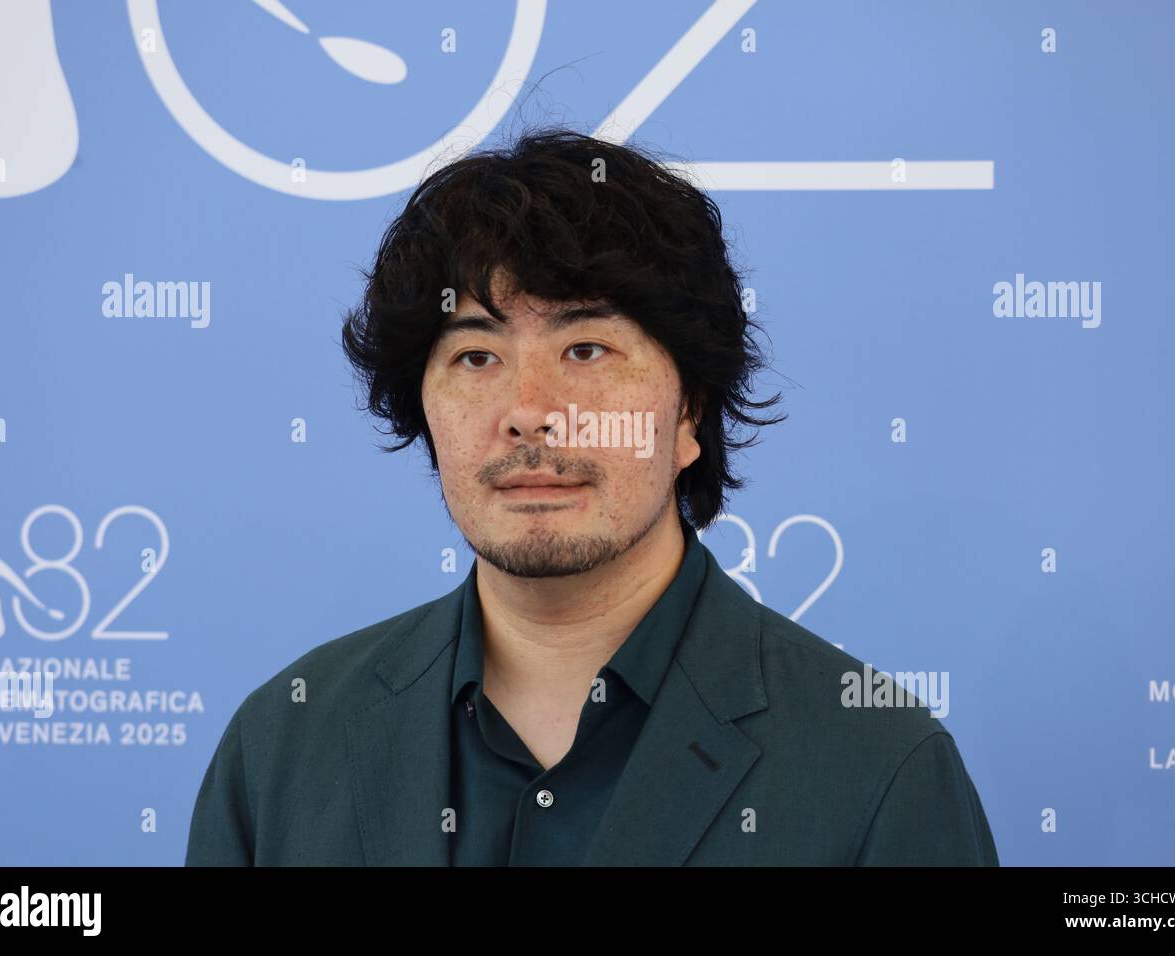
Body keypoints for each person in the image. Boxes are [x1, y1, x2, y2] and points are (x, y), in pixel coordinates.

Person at [185, 127, 999, 866]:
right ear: (425, 414)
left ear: (689, 414)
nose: (530, 411)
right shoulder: (285, 744)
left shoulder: (874, 765)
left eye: (586, 348)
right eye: (474, 357)